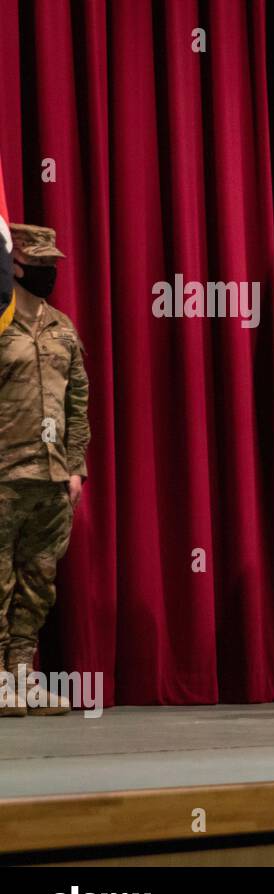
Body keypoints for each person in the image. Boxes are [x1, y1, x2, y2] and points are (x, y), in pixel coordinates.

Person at [0, 223, 89, 717]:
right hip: (4, 472)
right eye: (40, 266)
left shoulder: (63, 328)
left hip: (52, 479)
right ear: (14, 264)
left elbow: (78, 400)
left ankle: (21, 676)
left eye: (53, 266)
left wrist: (75, 466)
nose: (49, 274)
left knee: (37, 584)